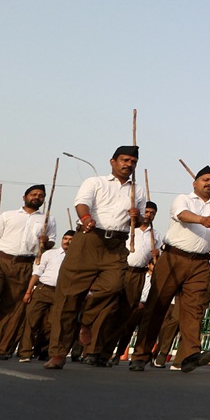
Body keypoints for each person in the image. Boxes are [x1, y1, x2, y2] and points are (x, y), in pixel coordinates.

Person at [44, 146, 146, 369]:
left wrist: (136, 217)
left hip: (117, 244)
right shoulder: (95, 182)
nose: (128, 164)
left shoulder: (137, 191)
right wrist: (86, 217)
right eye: (124, 160)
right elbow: (82, 203)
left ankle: (86, 319)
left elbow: (137, 222)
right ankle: (58, 353)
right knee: (68, 296)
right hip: (88, 239)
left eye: (133, 161)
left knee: (114, 286)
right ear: (113, 162)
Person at [131, 166, 210, 372]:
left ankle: (189, 356)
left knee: (193, 311)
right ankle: (141, 354)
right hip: (174, 257)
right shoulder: (183, 199)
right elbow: (182, 215)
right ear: (195, 183)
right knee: (157, 306)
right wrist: (201, 219)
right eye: (205, 179)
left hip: (201, 263)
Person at [0, 185, 56, 362]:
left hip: (24, 265)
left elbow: (51, 243)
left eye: (41, 195)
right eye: (33, 194)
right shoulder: (7, 215)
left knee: (7, 308)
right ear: (24, 197)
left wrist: (46, 242)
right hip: (0, 260)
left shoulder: (48, 219)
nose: (37, 197)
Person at [98, 202, 161, 364]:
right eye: (146, 211)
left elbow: (157, 262)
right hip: (121, 270)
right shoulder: (128, 228)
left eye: (152, 212)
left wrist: (157, 255)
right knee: (108, 310)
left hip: (138, 274)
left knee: (124, 315)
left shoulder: (156, 235)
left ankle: (107, 353)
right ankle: (93, 350)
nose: (148, 215)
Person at [18, 231, 74, 362]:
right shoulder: (50, 254)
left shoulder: (77, 258)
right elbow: (37, 273)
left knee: (52, 324)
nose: (67, 241)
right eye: (65, 238)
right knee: (32, 320)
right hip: (43, 289)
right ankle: (25, 352)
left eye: (71, 239)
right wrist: (29, 291)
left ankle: (44, 352)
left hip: (61, 293)